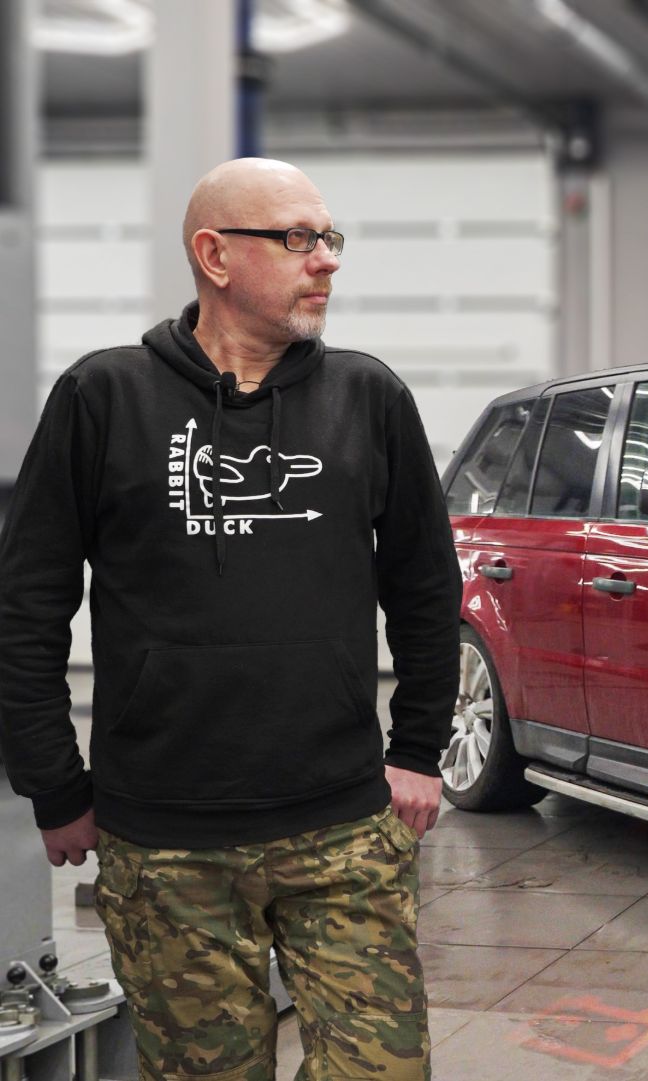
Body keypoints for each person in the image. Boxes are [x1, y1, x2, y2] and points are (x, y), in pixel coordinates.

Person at [0, 158, 460, 1079]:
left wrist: (418, 746)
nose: (326, 259)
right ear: (214, 255)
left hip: (341, 824)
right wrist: (54, 782)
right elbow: (27, 603)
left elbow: (424, 584)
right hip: (164, 841)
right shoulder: (103, 397)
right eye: (297, 238)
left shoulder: (369, 397)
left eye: (329, 237)